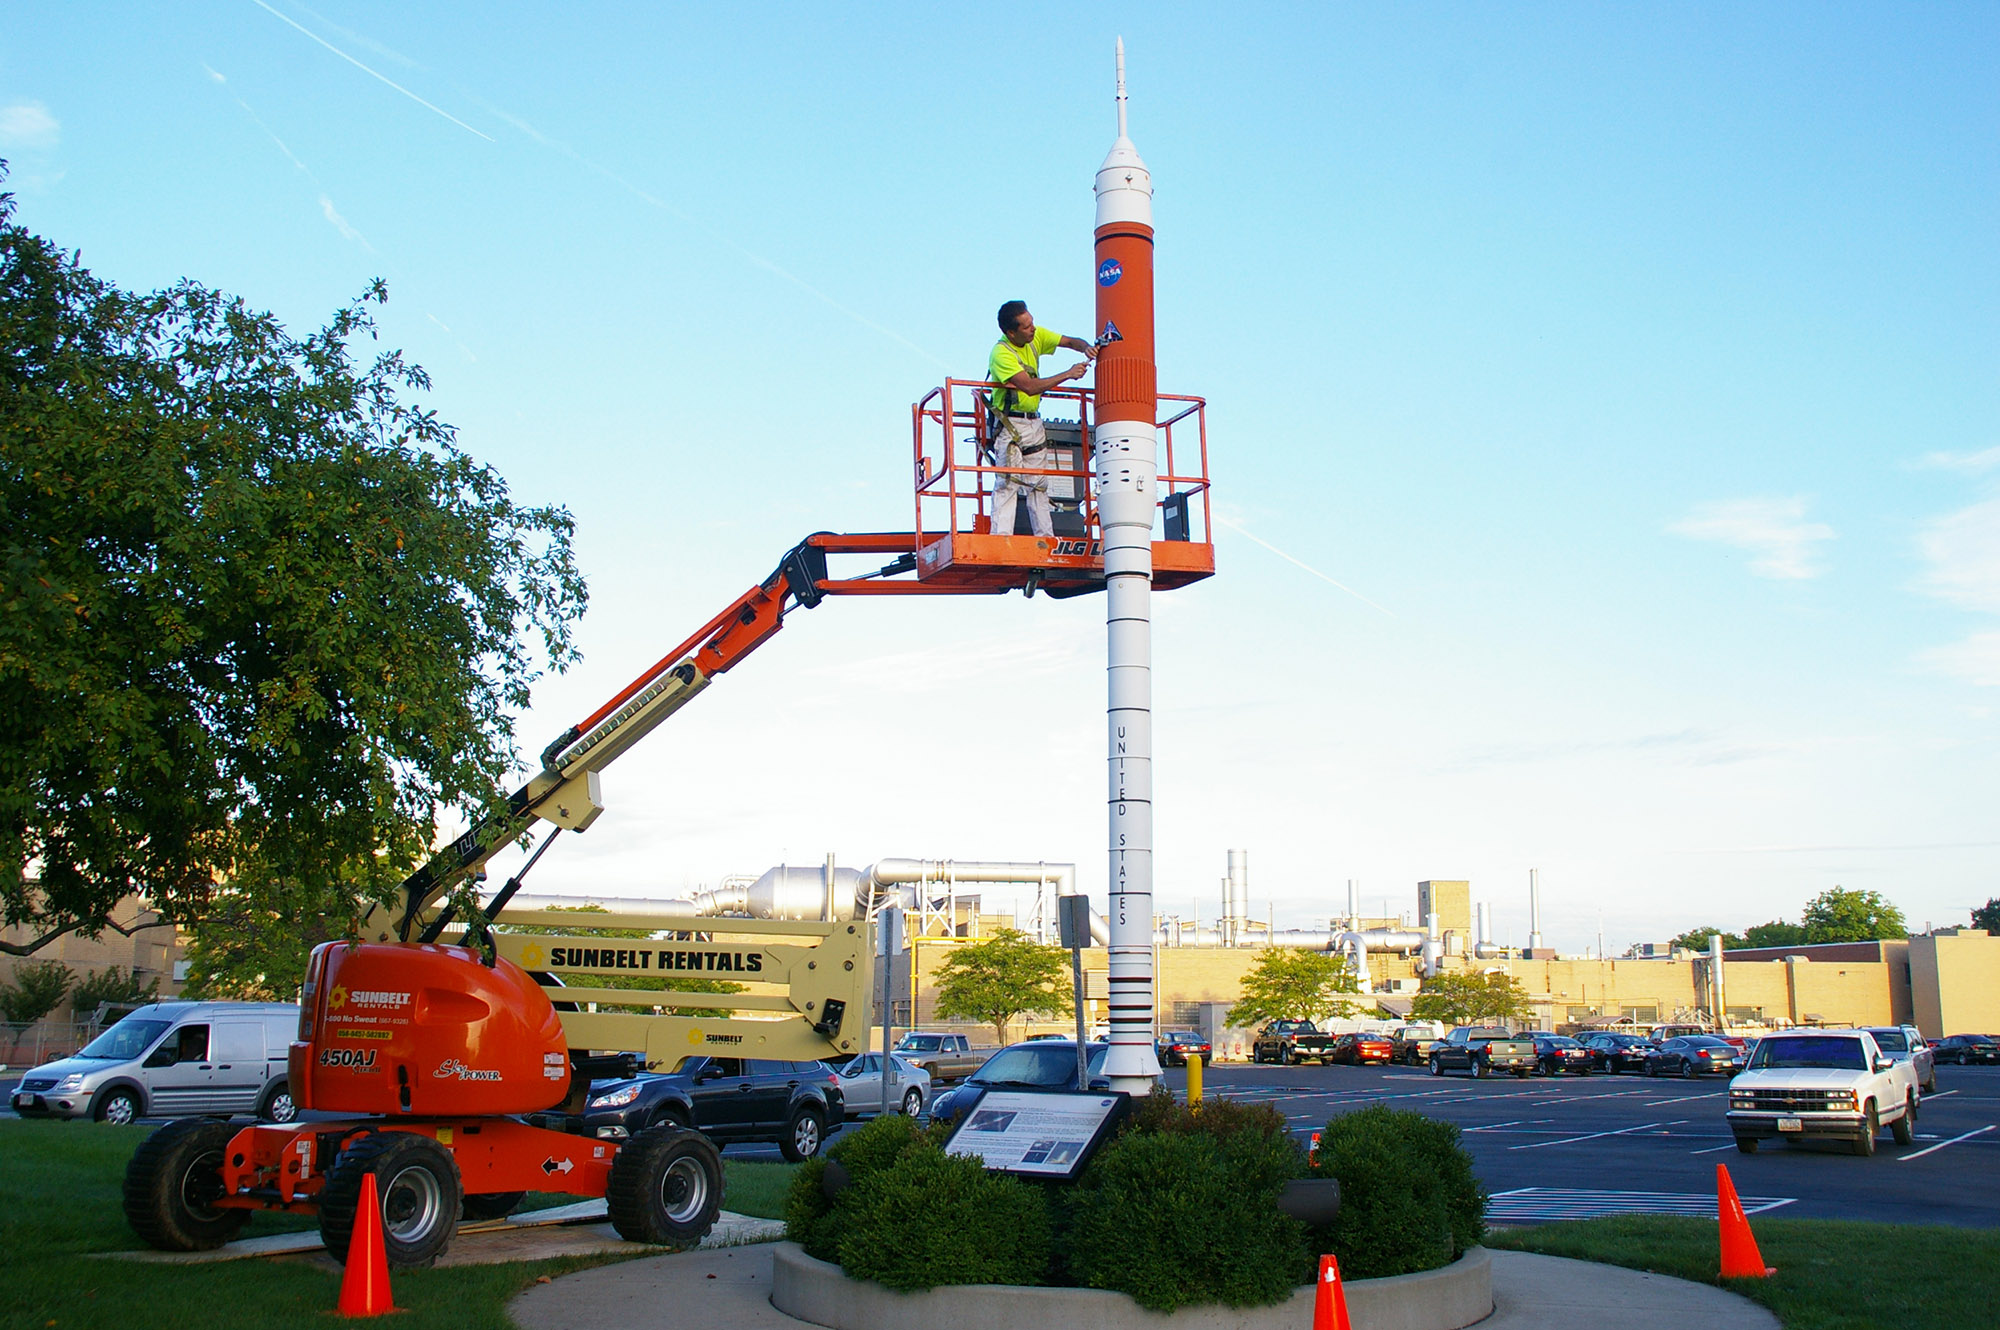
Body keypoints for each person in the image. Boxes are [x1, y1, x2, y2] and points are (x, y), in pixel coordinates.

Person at [986, 300, 1095, 538]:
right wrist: (1068, 374)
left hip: (1033, 422)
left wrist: (1086, 347)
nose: (1033, 328)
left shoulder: (1034, 337)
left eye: (1032, 322)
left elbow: (1070, 341)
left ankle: (1045, 538)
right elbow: (1029, 387)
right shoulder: (1001, 353)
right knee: (1008, 482)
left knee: (1038, 484)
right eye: (1026, 326)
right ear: (1011, 332)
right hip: (1010, 425)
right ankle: (1001, 539)